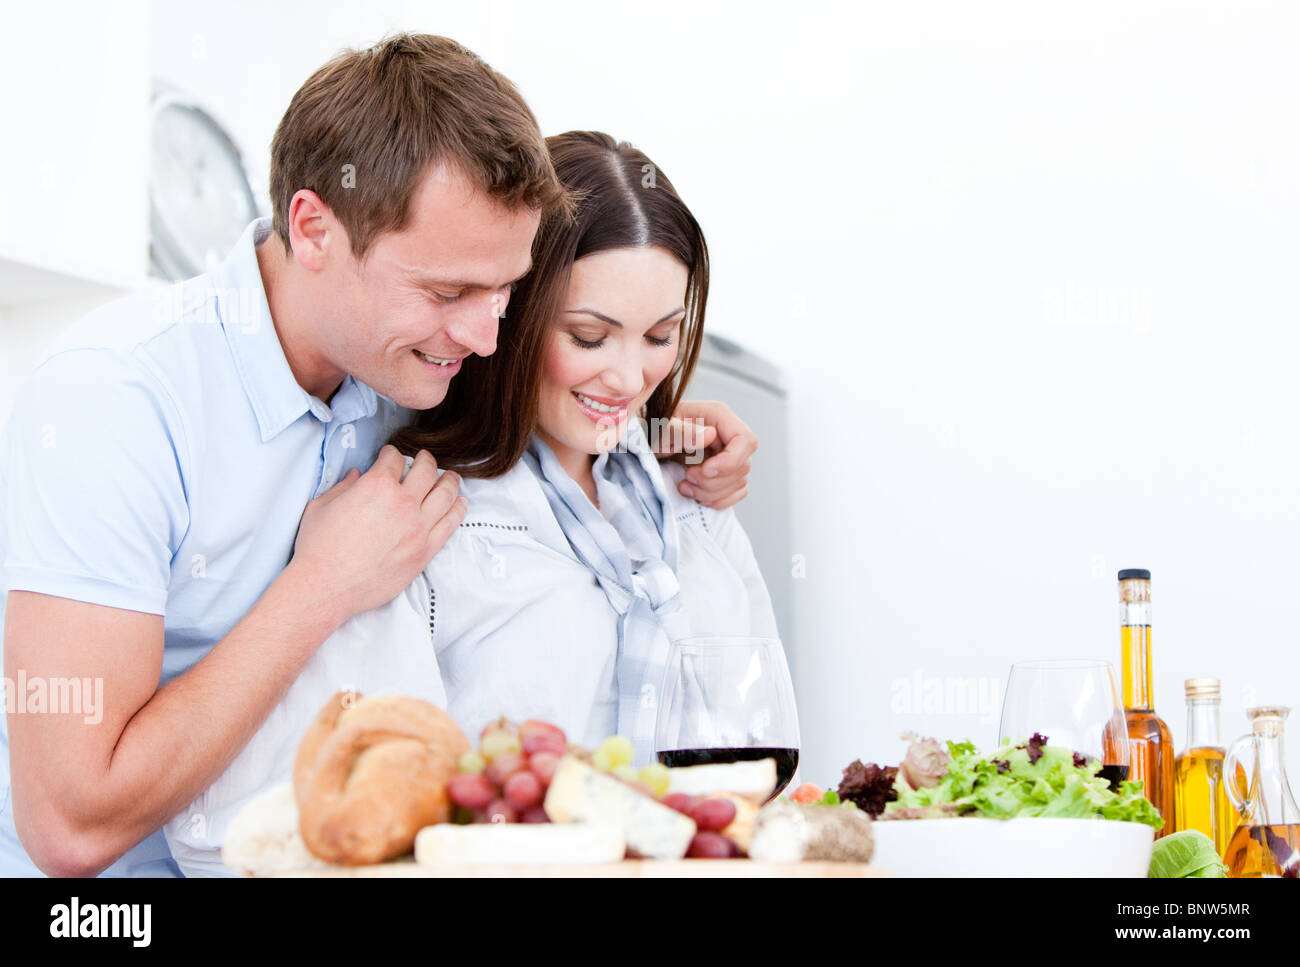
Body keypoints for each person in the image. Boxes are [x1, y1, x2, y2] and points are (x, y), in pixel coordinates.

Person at [0, 35, 754, 878]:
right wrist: (321, 586)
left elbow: (543, 394)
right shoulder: (115, 400)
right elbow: (69, 828)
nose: (485, 335)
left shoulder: (407, 359)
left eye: (504, 290)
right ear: (314, 228)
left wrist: (657, 417)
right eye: (448, 292)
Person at [166, 132, 790, 876]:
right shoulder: (423, 521)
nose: (630, 376)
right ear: (512, 315)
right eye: (590, 336)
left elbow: (764, 763)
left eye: (662, 335)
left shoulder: (693, 505)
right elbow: (288, 822)